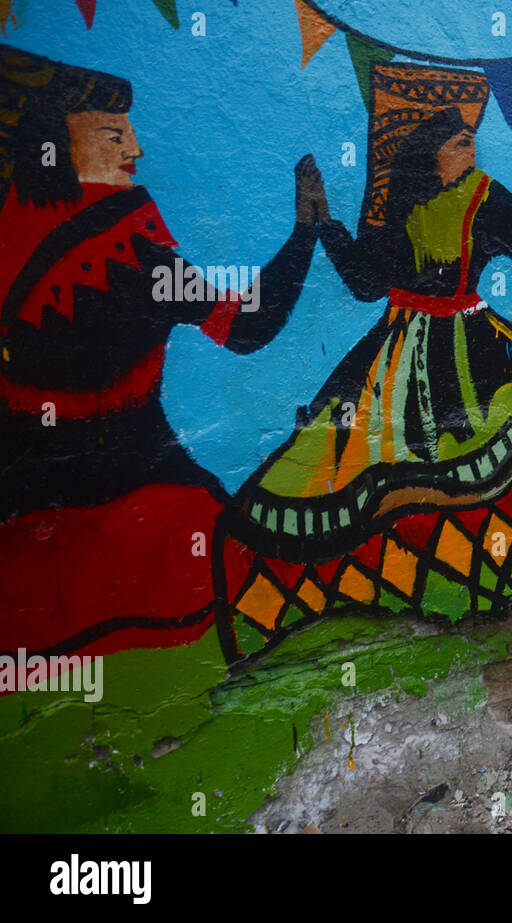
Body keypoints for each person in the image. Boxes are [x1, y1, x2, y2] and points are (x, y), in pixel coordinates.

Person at [215, 65, 512, 663]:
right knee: (355, 459)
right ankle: (420, 594)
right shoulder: (403, 209)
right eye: (461, 141)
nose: (473, 146)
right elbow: (365, 283)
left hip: (456, 345)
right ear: (431, 155)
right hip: (404, 351)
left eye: (471, 139)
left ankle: (482, 585)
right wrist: (322, 218)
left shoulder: (482, 196)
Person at [0, 45, 319, 660]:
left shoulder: (15, 228)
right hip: (134, 511)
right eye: (114, 134)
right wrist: (303, 236)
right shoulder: (119, 244)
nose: (136, 150)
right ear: (57, 144)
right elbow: (244, 327)